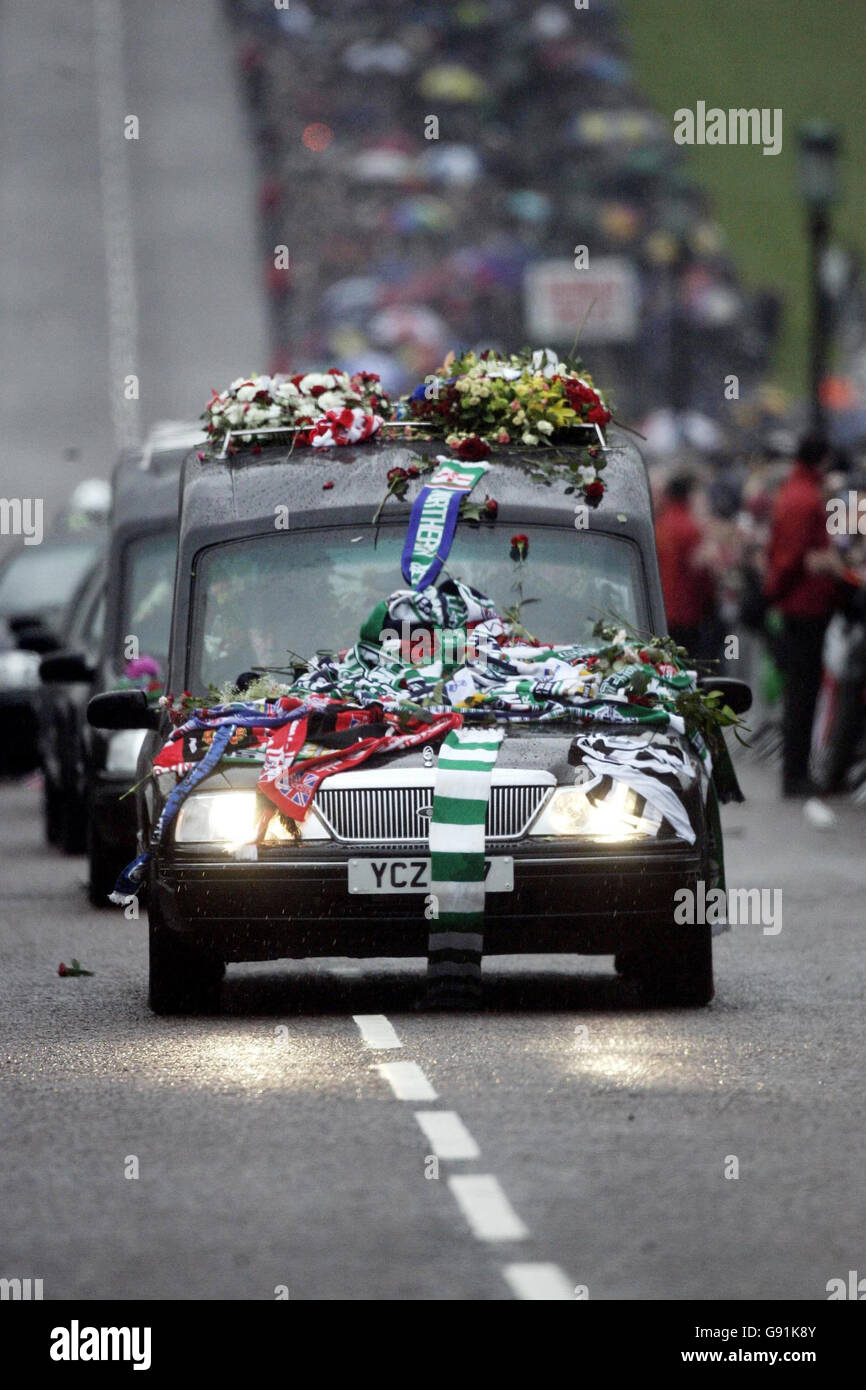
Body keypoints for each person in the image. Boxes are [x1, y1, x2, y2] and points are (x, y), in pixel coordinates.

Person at [764, 433, 842, 797]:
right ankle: (796, 774)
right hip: (806, 605)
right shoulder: (807, 498)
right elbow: (794, 557)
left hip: (797, 603)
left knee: (800, 692)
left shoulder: (793, 493)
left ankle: (795, 771)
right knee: (802, 693)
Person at [655, 473, 717, 659]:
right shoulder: (690, 529)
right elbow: (700, 575)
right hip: (686, 614)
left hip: (661, 609)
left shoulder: (659, 525)